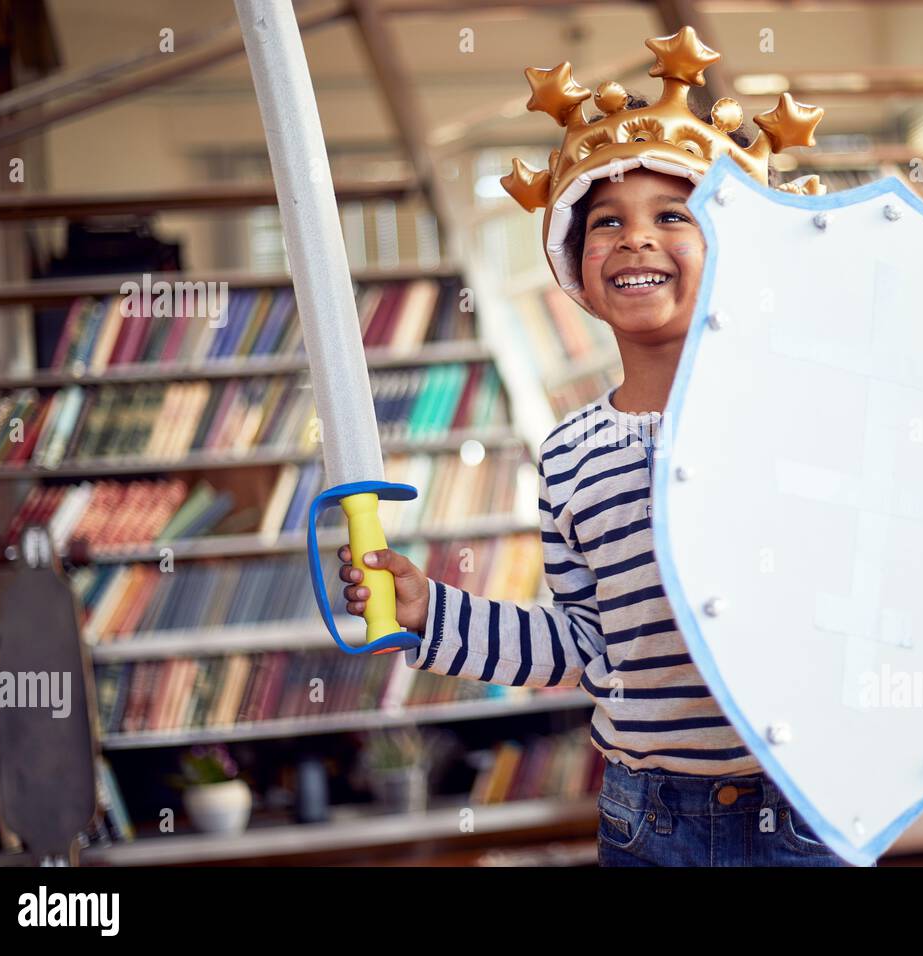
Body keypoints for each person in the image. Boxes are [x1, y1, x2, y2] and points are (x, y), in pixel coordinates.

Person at [337, 26, 857, 866]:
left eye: (672, 215)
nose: (634, 237)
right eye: (605, 221)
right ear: (578, 268)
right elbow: (583, 642)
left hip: (802, 802)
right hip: (647, 818)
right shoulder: (571, 455)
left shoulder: (799, 417)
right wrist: (429, 610)